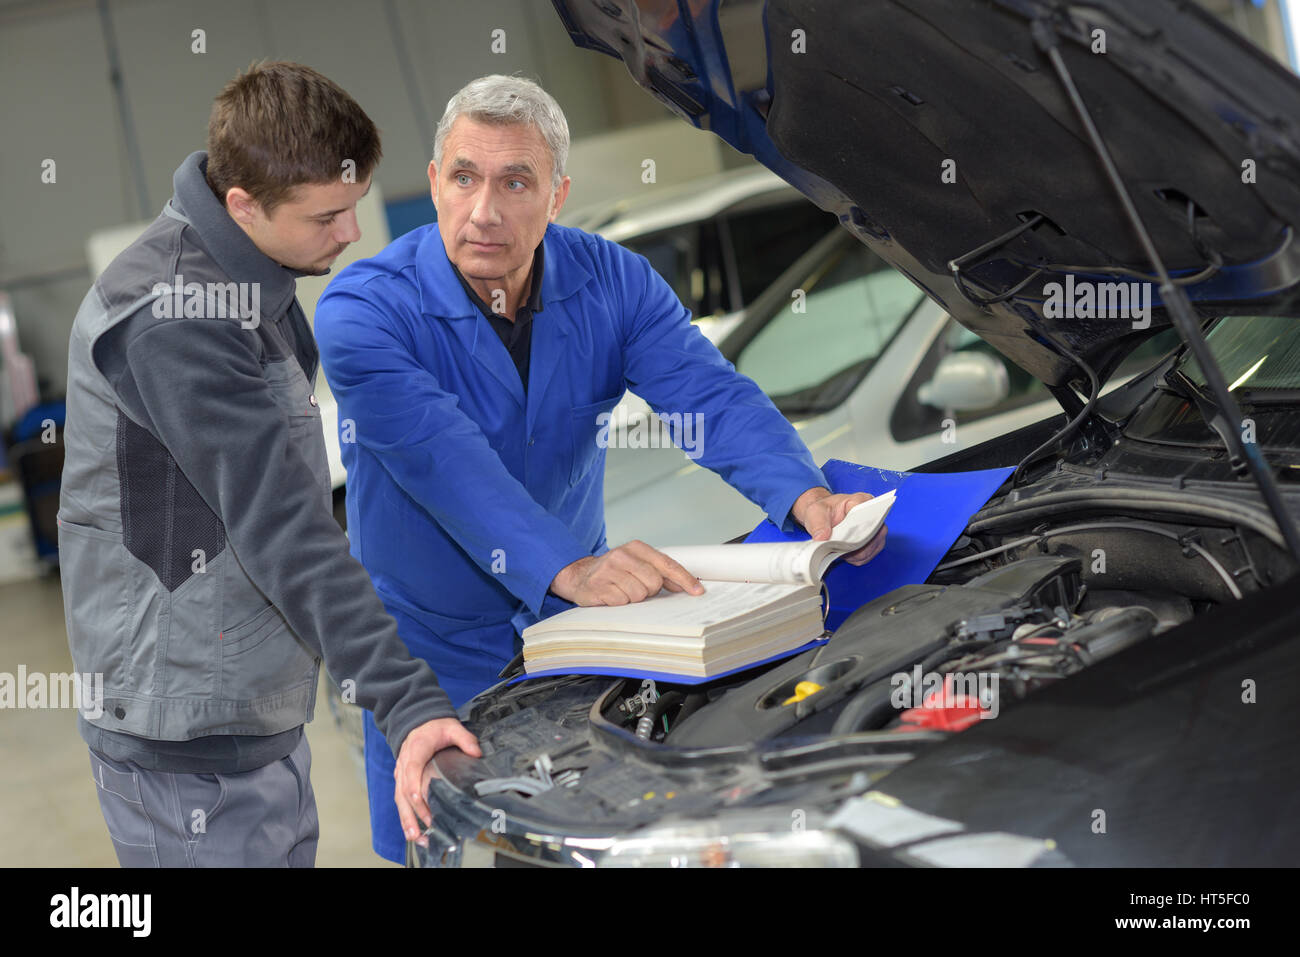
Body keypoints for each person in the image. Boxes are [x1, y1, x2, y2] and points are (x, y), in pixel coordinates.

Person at [314, 74, 887, 864]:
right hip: (428, 645)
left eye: (516, 182)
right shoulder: (363, 314)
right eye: (464, 177)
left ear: (557, 195)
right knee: (441, 847)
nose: (484, 210)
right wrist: (569, 566)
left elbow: (706, 397)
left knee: (586, 832)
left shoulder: (612, 284)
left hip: (572, 635)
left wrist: (806, 494)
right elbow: (443, 461)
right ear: (437, 181)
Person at [58, 61, 478, 868]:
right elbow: (282, 520)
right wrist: (409, 701)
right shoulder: (174, 316)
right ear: (243, 204)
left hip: (246, 699)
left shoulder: (252, 274)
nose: (351, 233)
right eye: (329, 215)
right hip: (185, 738)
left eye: (352, 205)